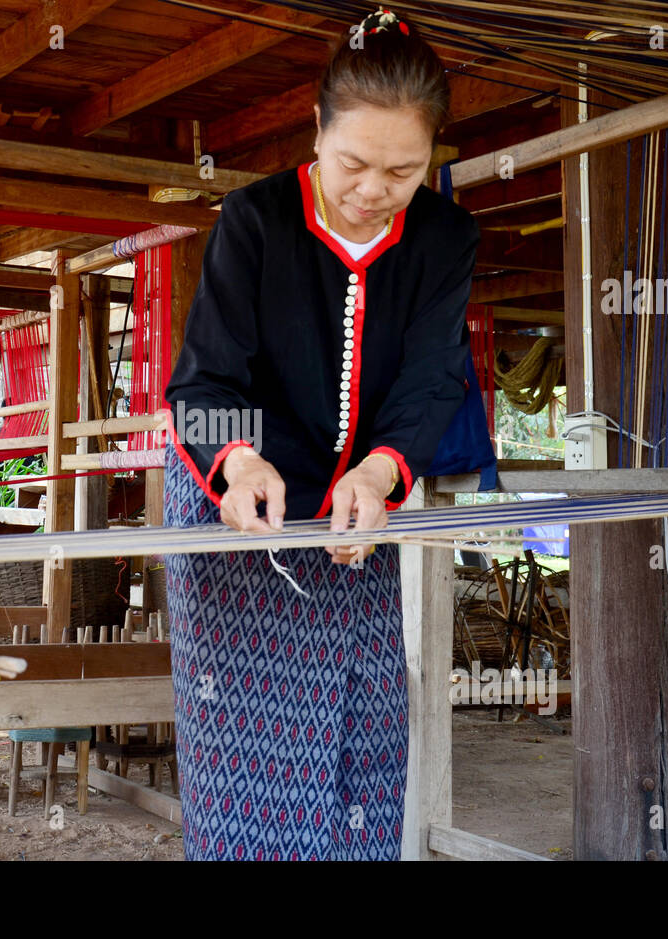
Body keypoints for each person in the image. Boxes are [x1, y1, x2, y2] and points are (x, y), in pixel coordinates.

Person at [161, 6, 497, 861]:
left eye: (402, 169)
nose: (373, 189)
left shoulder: (443, 240)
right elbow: (205, 382)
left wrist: (381, 475)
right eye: (352, 162)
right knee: (249, 762)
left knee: (364, 738)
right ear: (316, 129)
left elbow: (431, 378)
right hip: (241, 511)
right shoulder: (256, 221)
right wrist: (238, 467)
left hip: (357, 514)